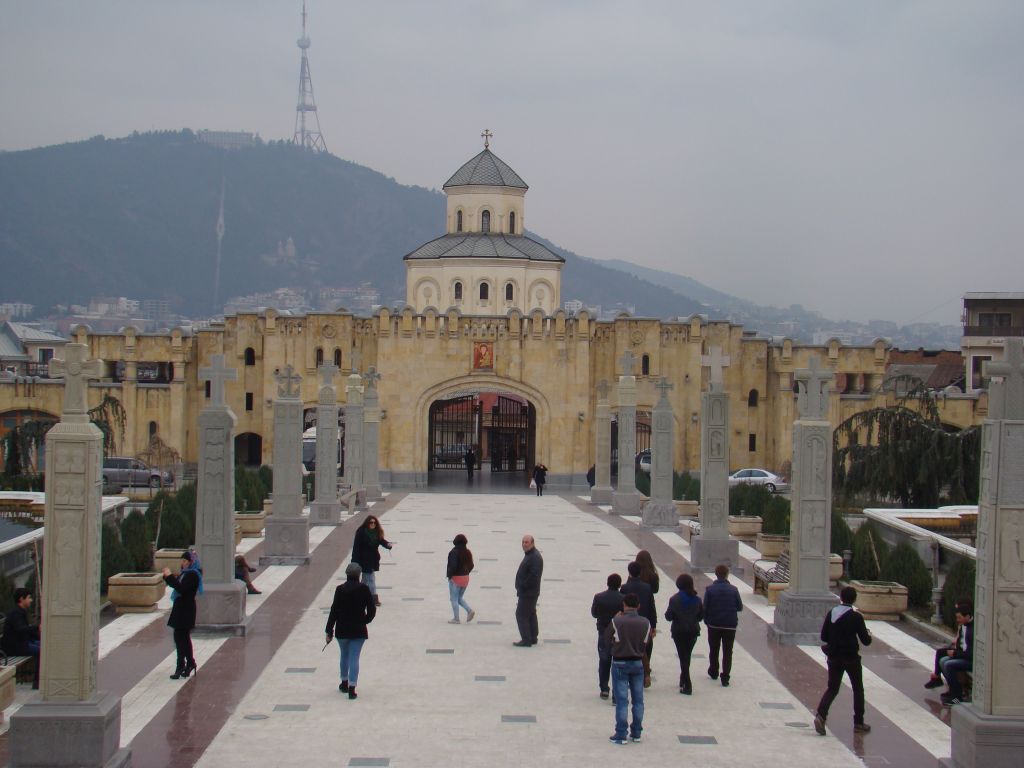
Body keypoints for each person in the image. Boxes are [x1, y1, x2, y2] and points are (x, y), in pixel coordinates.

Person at [814, 586, 873, 735]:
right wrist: (868, 635)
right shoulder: (856, 617)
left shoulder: (831, 613)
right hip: (851, 658)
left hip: (834, 657)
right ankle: (858, 722)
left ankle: (821, 716)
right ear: (854, 600)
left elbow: (823, 637)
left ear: (841, 598)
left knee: (832, 689)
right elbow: (865, 641)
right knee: (858, 689)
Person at [325, 562, 377, 700]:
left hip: (342, 629)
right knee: (355, 658)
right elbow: (372, 609)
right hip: (358, 629)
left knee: (344, 655)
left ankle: (344, 682)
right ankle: (352, 688)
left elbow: (334, 610)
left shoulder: (339, 589)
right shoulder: (364, 589)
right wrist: (366, 620)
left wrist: (329, 630)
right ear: (359, 575)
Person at [605, 592, 651, 744]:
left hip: (619, 662)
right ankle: (636, 732)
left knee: (622, 700)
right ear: (638, 606)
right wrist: (647, 671)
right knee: (638, 700)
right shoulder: (646, 622)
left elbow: (606, 638)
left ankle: (621, 733)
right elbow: (646, 645)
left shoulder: (616, 621)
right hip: (638, 663)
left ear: (624, 605)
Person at [162, 550, 203, 680]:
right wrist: (167, 577)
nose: (183, 563)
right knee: (182, 638)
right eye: (182, 560)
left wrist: (169, 577)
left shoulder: (193, 575)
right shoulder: (186, 574)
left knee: (181, 639)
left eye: (185, 561)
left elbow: (181, 589)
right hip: (180, 608)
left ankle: (182, 666)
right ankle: (189, 664)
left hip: (186, 610)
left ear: (191, 562)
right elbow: (177, 585)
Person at [924, 599, 973, 706]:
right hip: (961, 654)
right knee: (942, 657)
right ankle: (944, 684)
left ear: (967, 616)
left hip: (970, 661)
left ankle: (957, 696)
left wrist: (955, 654)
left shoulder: (972, 630)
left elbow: (970, 654)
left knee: (948, 664)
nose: (957, 620)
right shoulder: (964, 626)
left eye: (959, 617)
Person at [703, 563, 742, 687]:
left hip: (714, 624)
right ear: (727, 575)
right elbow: (739, 607)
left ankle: (714, 670)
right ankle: (725, 676)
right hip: (730, 625)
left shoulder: (709, 590)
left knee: (714, 649)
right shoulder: (734, 590)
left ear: (716, 574)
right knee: (727, 651)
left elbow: (705, 607)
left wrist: (707, 620)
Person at [665, 573, 703, 695]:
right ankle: (683, 678)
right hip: (693, 631)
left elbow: (668, 617)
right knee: (687, 655)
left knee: (683, 656)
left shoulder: (674, 599)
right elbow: (701, 616)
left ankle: (687, 684)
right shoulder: (697, 599)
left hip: (679, 631)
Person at [621, 561, 657, 687]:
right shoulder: (647, 587)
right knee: (646, 647)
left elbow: (622, 607)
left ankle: (636, 672)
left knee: (632, 647)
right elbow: (652, 607)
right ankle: (645, 670)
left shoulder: (625, 588)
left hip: (629, 622)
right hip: (645, 621)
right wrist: (653, 625)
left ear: (629, 573)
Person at [591, 573, 624, 699]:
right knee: (618, 661)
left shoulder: (599, 597)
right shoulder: (623, 598)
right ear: (619, 584)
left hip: (603, 631)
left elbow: (594, 613)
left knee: (604, 661)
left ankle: (604, 688)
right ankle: (617, 691)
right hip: (619, 634)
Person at [2, 587, 40, 688]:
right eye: (29, 597)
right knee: (42, 651)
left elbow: (26, 631)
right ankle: (38, 683)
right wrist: (35, 627)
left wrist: (40, 637)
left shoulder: (20, 612)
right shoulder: (16, 613)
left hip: (22, 643)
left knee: (44, 645)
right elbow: (20, 629)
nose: (31, 600)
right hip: (15, 647)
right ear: (21, 599)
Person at [351, 515, 392, 607]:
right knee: (371, 579)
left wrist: (388, 544)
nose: (373, 524)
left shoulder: (377, 533)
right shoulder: (361, 532)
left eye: (374, 523)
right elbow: (356, 548)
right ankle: (373, 599)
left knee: (365, 580)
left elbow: (382, 541)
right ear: (367, 523)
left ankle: (356, 595)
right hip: (363, 560)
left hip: (373, 560)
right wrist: (354, 561)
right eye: (371, 522)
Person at [635, 550, 660, 687]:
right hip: (647, 611)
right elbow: (655, 590)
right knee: (647, 642)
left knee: (636, 641)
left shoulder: (635, 573)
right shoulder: (653, 576)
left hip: (634, 609)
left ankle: (642, 667)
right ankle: (646, 666)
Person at [513, 534, 543, 646]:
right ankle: (533, 637)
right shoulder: (531, 555)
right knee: (530, 613)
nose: (524, 544)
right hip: (530, 592)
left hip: (528, 593)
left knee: (521, 614)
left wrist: (522, 586)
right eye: (523, 542)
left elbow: (533, 576)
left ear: (532, 543)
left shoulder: (534, 557)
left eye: (527, 542)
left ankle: (526, 640)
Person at [446, 533, 476, 624]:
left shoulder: (454, 552)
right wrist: (466, 573)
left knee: (453, 599)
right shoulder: (468, 552)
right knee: (459, 598)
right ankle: (469, 611)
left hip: (456, 578)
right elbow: (471, 565)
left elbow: (453, 566)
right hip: (465, 578)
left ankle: (456, 619)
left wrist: (450, 575)